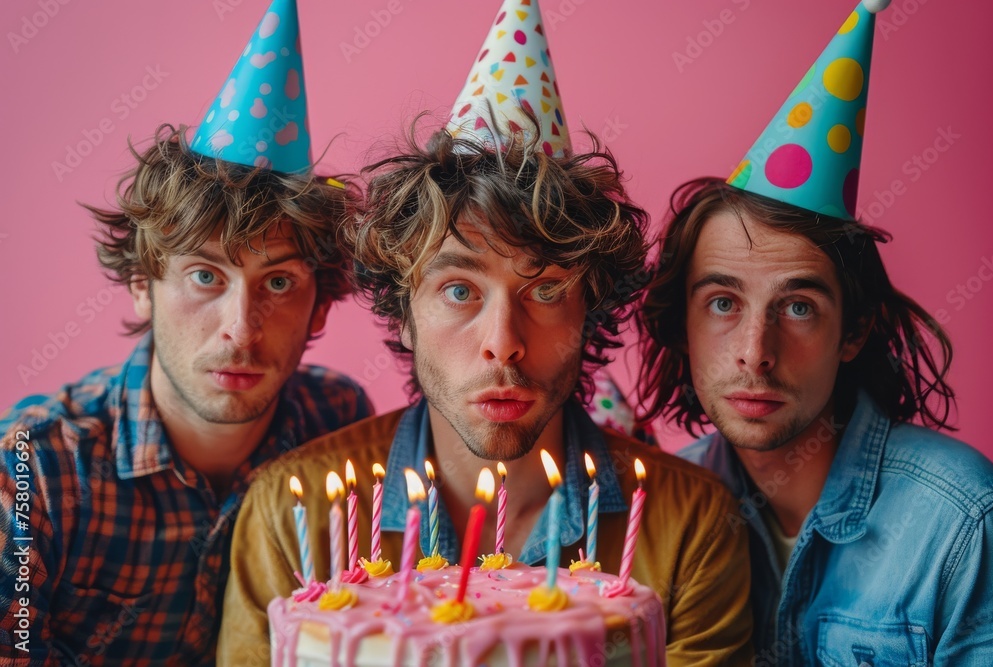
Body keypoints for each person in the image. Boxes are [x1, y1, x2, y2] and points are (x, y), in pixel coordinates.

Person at [218, 1, 753, 664]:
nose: (505, 341)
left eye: (547, 289)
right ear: (404, 312)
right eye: (460, 290)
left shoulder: (691, 527)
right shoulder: (291, 521)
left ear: (591, 307)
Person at [0, 1, 372, 663]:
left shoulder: (337, 426)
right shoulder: (34, 468)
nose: (240, 328)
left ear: (320, 308)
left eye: (280, 282)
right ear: (143, 283)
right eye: (205, 275)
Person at [638, 2, 993, 664]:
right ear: (681, 325)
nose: (756, 351)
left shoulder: (961, 522)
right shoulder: (663, 509)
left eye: (798, 307)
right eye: (722, 302)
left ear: (854, 329)